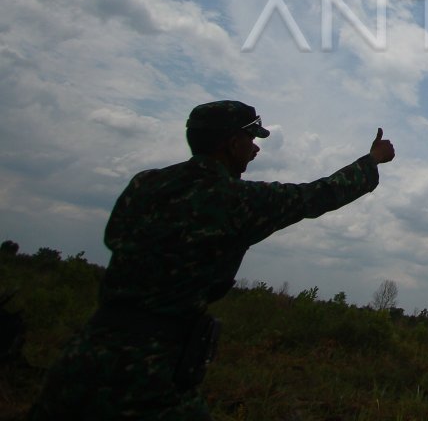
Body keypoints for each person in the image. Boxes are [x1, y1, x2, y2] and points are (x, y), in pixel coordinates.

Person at [27, 100, 395, 420]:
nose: (255, 150)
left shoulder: (145, 184)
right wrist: (372, 161)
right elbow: (320, 195)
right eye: (250, 140)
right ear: (231, 142)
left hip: (81, 357)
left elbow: (114, 238)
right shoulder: (237, 201)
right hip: (150, 374)